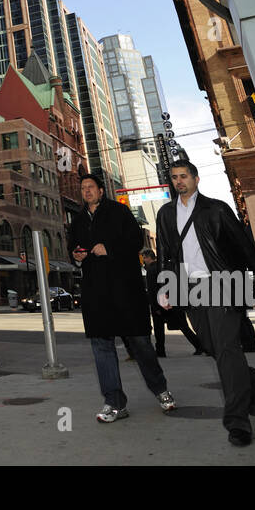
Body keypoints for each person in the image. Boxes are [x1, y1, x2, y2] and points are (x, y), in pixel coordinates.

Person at [155, 159, 255, 447]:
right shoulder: (165, 214)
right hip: (188, 288)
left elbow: (245, 247)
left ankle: (237, 423)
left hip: (223, 284)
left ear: (196, 179)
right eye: (174, 177)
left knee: (225, 349)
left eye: (184, 176)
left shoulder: (217, 209)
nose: (179, 181)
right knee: (211, 346)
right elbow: (164, 252)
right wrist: (164, 287)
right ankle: (248, 380)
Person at [69, 173, 175, 422]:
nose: (87, 191)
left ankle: (161, 390)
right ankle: (114, 403)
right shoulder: (77, 220)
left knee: (140, 344)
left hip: (125, 290)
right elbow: (72, 247)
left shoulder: (119, 211)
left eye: (91, 187)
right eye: (83, 188)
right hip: (95, 293)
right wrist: (76, 255)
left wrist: (110, 248)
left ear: (101, 190)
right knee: (102, 347)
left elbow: (136, 240)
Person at [140, 248, 203, 357]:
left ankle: (160, 351)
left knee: (159, 329)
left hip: (161, 303)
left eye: (143, 258)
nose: (143, 260)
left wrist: (156, 307)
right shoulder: (166, 267)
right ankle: (199, 346)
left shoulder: (151, 270)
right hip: (175, 301)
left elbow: (153, 290)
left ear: (147, 257)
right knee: (183, 326)